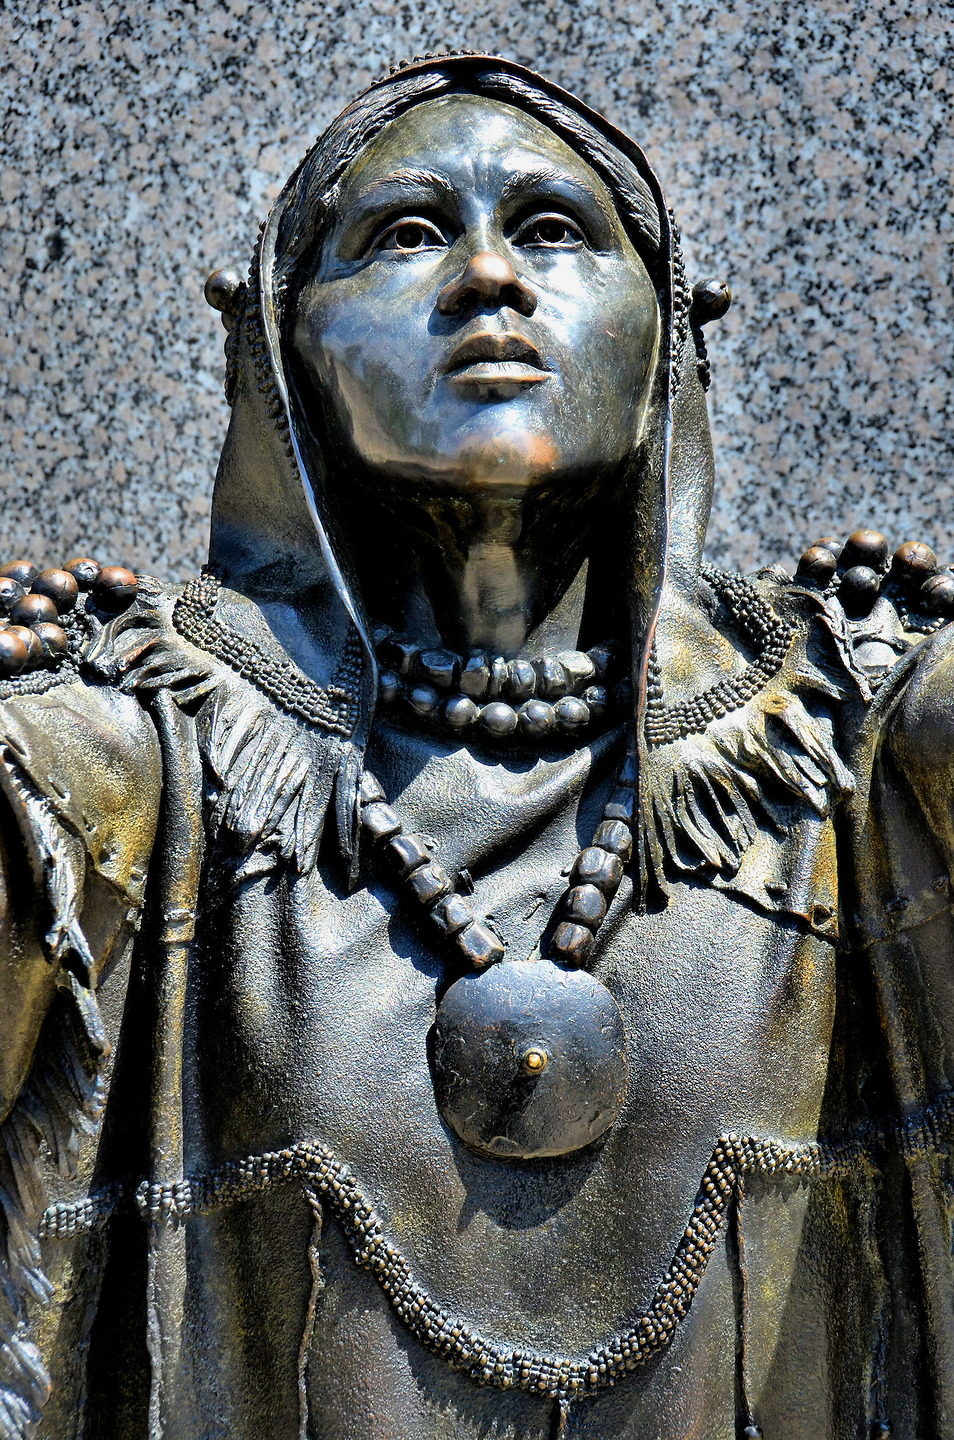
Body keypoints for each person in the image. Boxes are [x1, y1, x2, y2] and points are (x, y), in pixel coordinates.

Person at [0, 52, 951, 1440]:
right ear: (279, 346)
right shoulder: (147, 749)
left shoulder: (842, 733)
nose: (487, 280)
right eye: (402, 236)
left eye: (556, 229)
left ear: (669, 321)